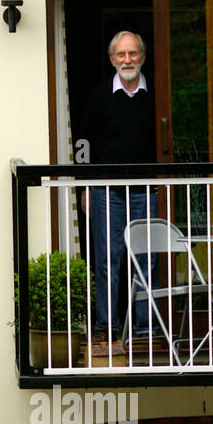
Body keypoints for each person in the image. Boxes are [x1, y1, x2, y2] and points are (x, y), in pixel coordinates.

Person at [78, 31, 157, 356]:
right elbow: (84, 143)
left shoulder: (155, 94)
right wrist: (84, 188)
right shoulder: (99, 96)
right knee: (107, 260)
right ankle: (107, 331)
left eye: (133, 54)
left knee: (145, 261)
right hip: (106, 190)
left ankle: (144, 331)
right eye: (121, 55)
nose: (127, 60)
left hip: (146, 190)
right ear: (112, 59)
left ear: (143, 56)